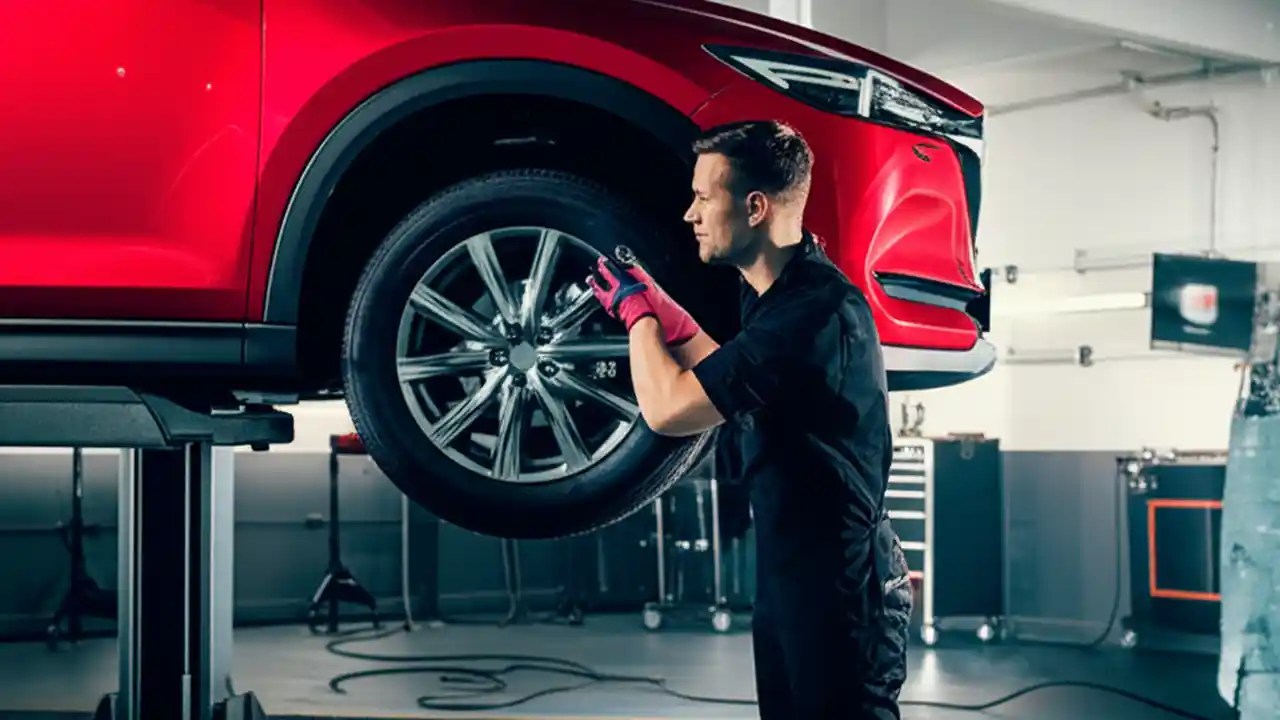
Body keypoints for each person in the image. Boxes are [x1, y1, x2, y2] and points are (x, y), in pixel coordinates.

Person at [587, 119, 913, 719]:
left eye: (705, 197)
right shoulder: (777, 296)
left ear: (756, 207)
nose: (690, 214)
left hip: (844, 591)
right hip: (794, 576)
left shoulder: (812, 313)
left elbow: (670, 410)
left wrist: (638, 317)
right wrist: (677, 323)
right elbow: (738, 381)